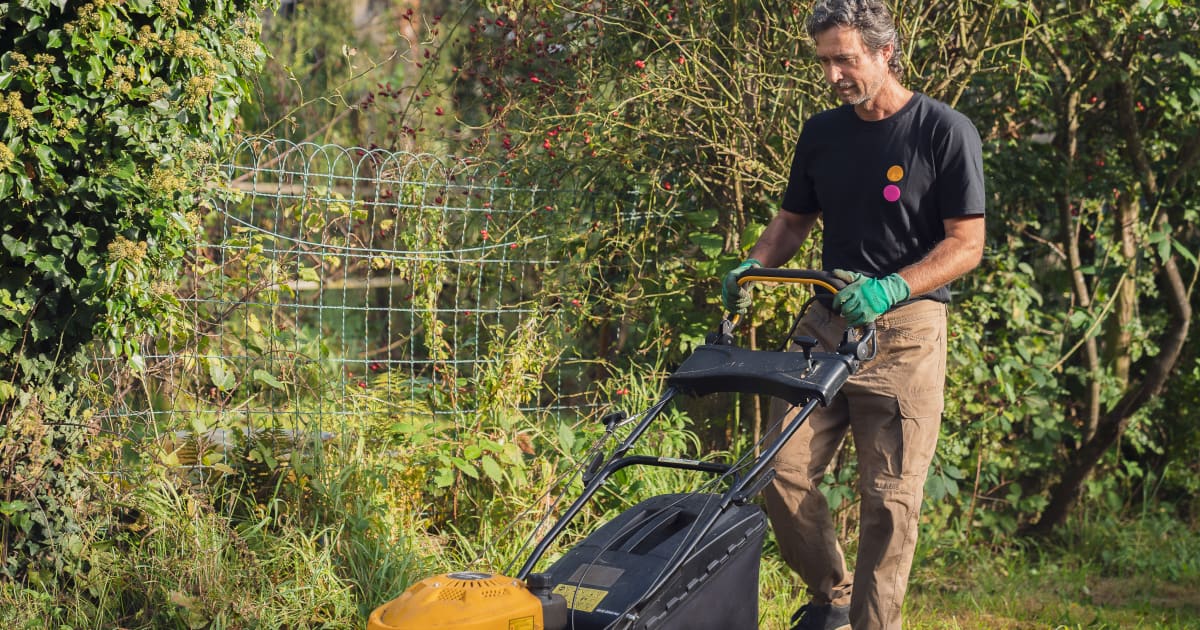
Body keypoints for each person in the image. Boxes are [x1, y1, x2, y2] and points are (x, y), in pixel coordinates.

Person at [720, 1, 986, 629]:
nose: (833, 74)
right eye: (824, 61)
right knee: (778, 469)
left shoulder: (943, 131)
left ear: (885, 52)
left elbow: (966, 244)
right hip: (826, 324)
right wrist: (753, 265)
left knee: (889, 498)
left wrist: (893, 287)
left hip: (906, 333)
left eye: (845, 59)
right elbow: (793, 221)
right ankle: (833, 599)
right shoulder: (823, 133)